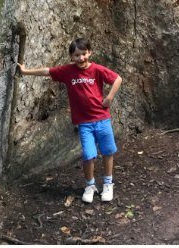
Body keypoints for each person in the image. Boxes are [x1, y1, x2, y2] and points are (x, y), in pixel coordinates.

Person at [17, 37, 122, 203]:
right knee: (88, 155)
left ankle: (108, 184)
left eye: (84, 54)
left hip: (102, 119)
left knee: (108, 151)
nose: (81, 58)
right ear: (71, 57)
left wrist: (109, 97)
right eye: (77, 55)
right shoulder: (67, 71)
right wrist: (25, 71)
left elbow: (117, 79)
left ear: (90, 53)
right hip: (84, 123)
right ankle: (90, 186)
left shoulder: (97, 70)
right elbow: (47, 71)